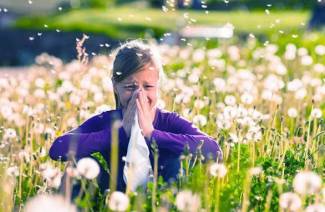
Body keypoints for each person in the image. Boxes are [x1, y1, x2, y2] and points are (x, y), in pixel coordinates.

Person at [49, 40, 222, 193]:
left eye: (148, 86)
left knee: (176, 162)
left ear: (157, 85)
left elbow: (214, 150)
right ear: (115, 86)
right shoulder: (108, 121)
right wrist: (118, 134)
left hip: (162, 195)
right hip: (114, 195)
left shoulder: (168, 121)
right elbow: (58, 149)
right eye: (131, 87)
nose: (139, 95)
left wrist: (152, 135)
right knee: (79, 165)